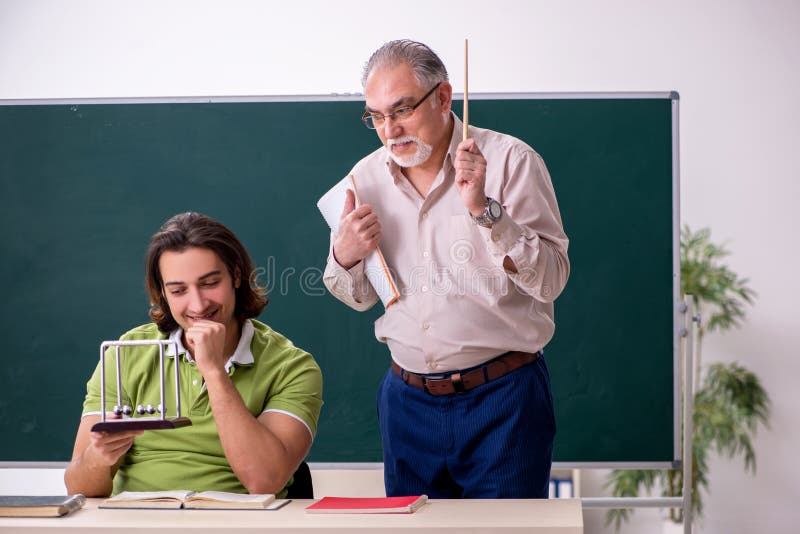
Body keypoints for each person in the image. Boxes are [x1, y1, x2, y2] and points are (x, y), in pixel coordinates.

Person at [323, 39, 569, 498]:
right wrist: (345, 254)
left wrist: (485, 212)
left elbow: (552, 278)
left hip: (504, 399)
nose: (389, 130)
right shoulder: (364, 179)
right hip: (407, 403)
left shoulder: (511, 161)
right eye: (375, 116)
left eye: (401, 110)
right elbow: (354, 296)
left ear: (442, 97)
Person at [65, 212, 323, 497]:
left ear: (236, 275)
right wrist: (100, 457)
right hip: (138, 521)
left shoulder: (292, 367)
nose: (198, 305)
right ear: (162, 293)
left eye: (210, 283)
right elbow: (79, 487)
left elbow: (264, 481)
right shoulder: (126, 353)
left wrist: (213, 372)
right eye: (178, 290)